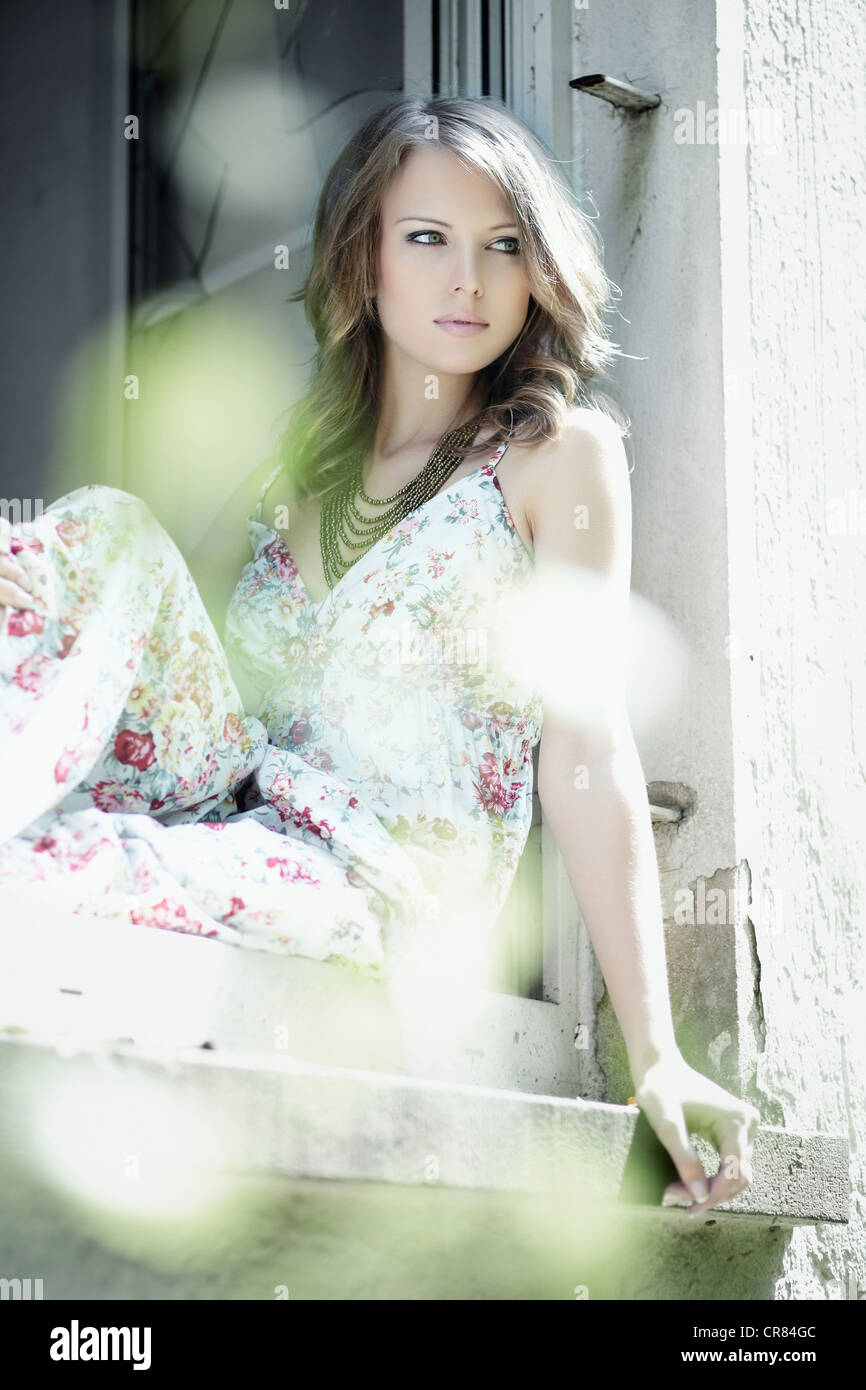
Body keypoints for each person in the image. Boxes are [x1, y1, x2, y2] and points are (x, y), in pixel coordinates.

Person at [0, 95, 759, 1217]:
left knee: (47, 875)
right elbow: (165, 642)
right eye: (428, 239)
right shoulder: (296, 466)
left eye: (504, 246)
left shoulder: (555, 457)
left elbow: (586, 746)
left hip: (370, 879)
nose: (469, 280)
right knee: (98, 531)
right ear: (362, 263)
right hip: (233, 810)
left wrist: (655, 1053)